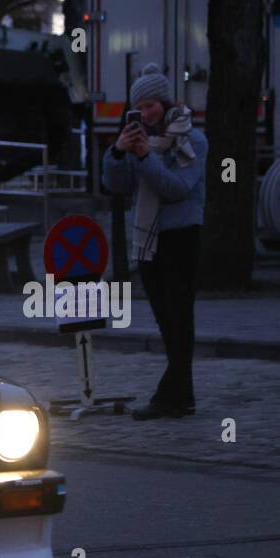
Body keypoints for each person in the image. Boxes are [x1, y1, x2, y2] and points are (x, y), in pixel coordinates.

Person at [102, 64, 207, 421]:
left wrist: (146, 157)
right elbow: (116, 186)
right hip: (148, 241)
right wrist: (118, 153)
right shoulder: (137, 143)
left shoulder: (191, 140)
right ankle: (182, 398)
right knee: (166, 319)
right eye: (139, 107)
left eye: (151, 106)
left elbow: (176, 189)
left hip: (180, 236)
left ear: (165, 103)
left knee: (179, 318)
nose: (145, 113)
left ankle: (170, 397)